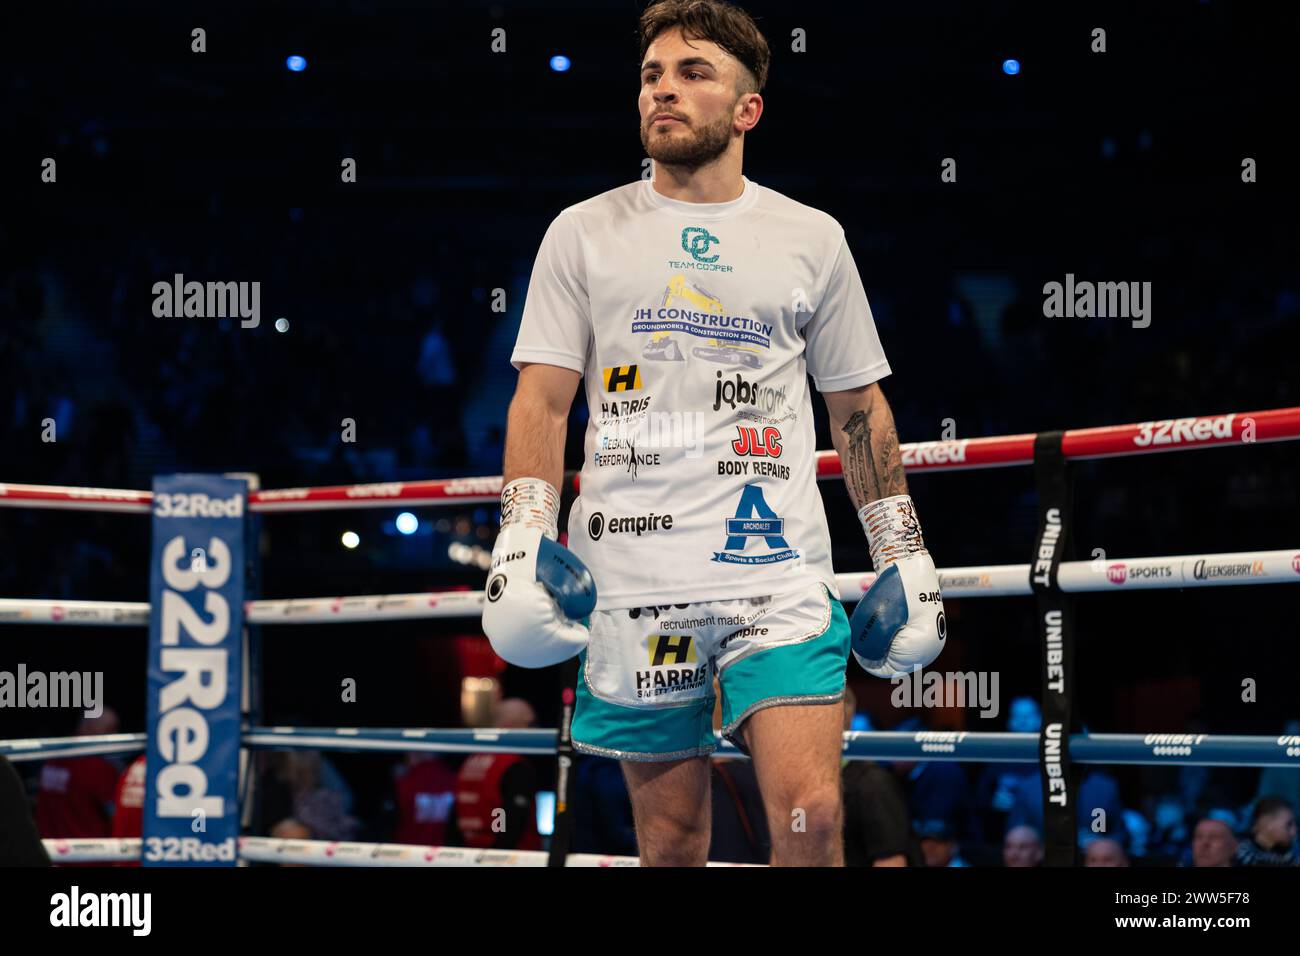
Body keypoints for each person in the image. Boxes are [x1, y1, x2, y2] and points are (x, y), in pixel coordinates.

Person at [481, 0, 945, 868]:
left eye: (693, 73)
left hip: (776, 574)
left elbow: (859, 408)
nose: (664, 90)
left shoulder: (812, 238)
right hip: (630, 577)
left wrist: (902, 550)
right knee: (671, 840)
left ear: (746, 109)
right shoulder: (580, 233)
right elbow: (542, 402)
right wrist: (520, 539)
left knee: (812, 815)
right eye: (653, 75)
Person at [1233, 796, 1299, 866]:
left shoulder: (1286, 852)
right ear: (1267, 824)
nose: (1294, 831)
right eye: (1289, 824)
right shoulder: (1240, 847)